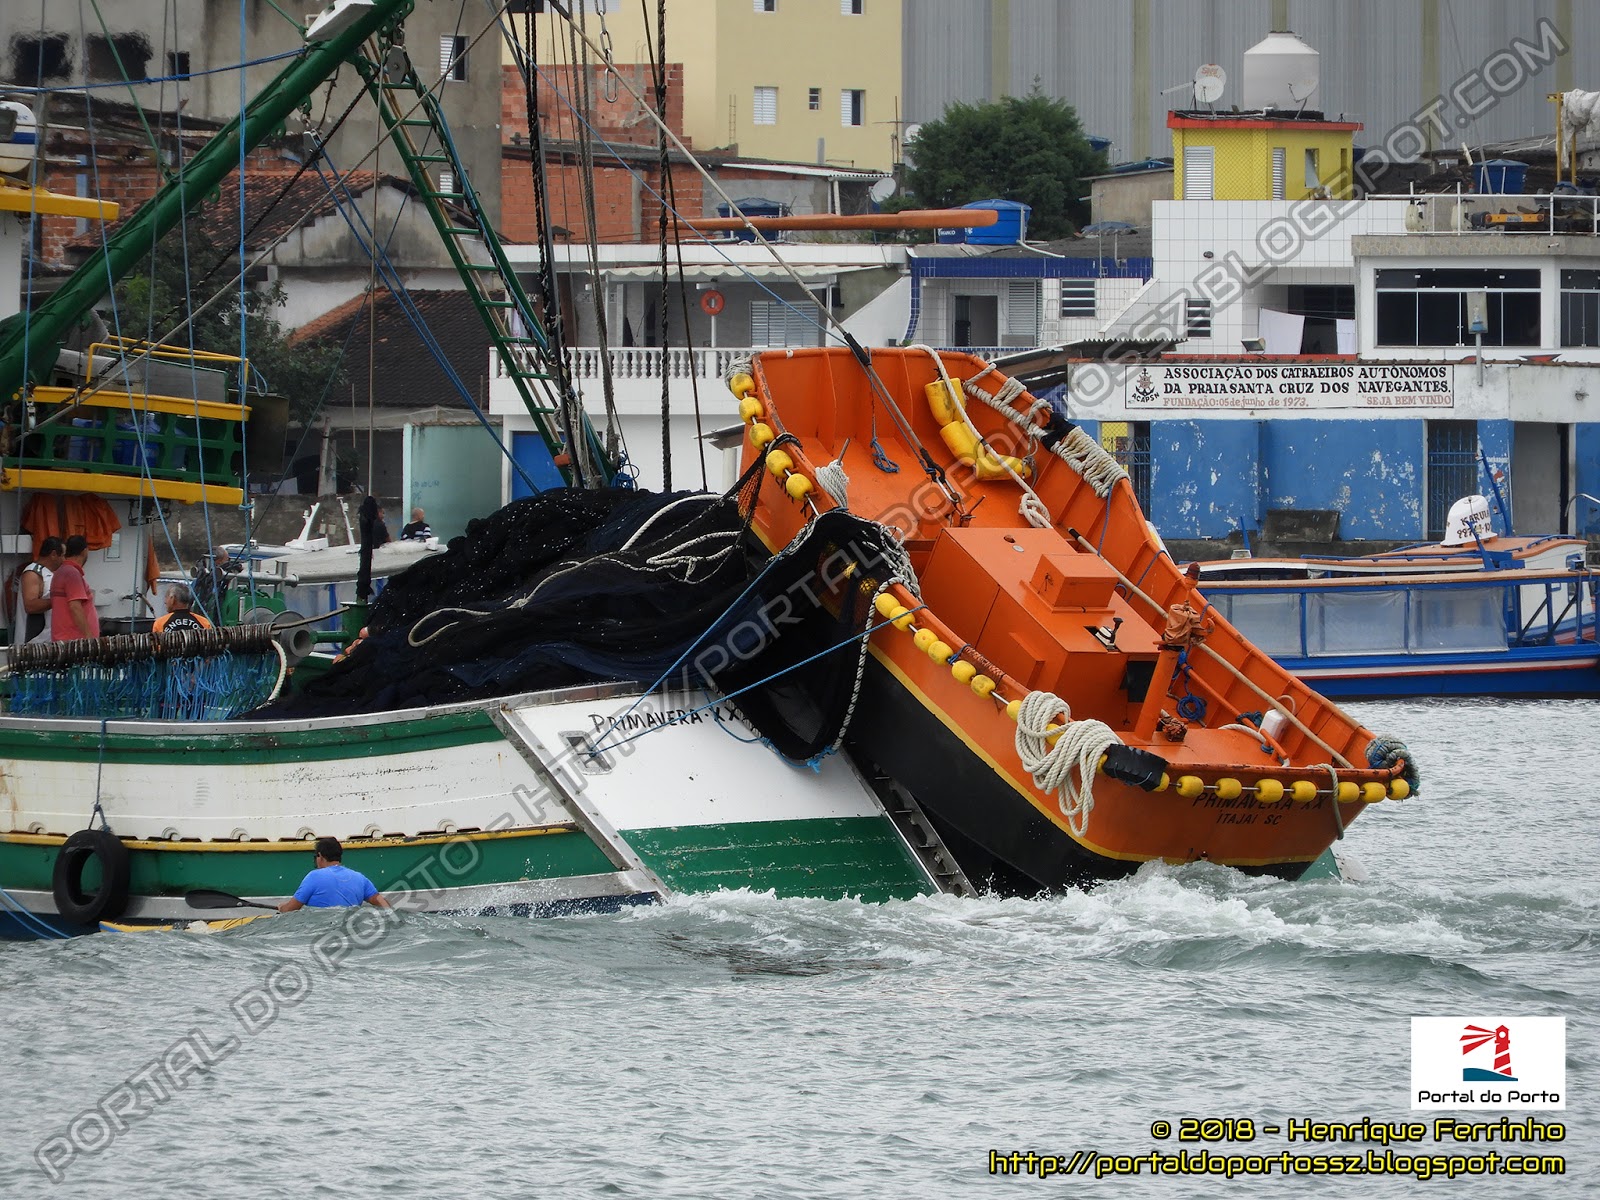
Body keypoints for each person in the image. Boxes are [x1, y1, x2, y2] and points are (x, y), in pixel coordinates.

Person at [278, 837, 389, 911]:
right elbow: (385, 905)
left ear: (320, 856)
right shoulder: (360, 878)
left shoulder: (313, 877)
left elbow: (290, 909)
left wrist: (282, 907)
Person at [13, 537, 66, 644]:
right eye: (63, 555)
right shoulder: (32, 573)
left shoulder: (52, 574)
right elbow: (30, 606)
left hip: (49, 641)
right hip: (32, 641)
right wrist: (59, 599)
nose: (64, 560)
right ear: (54, 554)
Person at [50, 535, 99, 642]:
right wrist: (89, 637)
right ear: (85, 551)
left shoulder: (60, 572)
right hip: (75, 643)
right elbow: (75, 607)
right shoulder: (72, 574)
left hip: (64, 641)